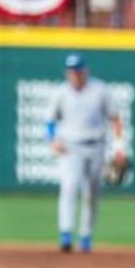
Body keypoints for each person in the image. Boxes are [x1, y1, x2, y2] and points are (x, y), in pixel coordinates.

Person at [47, 54, 126, 253]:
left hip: (96, 145)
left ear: (85, 71)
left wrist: (118, 148)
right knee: (69, 187)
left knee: (92, 193)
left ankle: (86, 237)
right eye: (71, 71)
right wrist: (52, 140)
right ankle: (65, 235)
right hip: (70, 147)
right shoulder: (61, 93)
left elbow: (115, 119)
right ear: (67, 73)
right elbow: (49, 121)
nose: (75, 74)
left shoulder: (100, 90)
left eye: (78, 70)